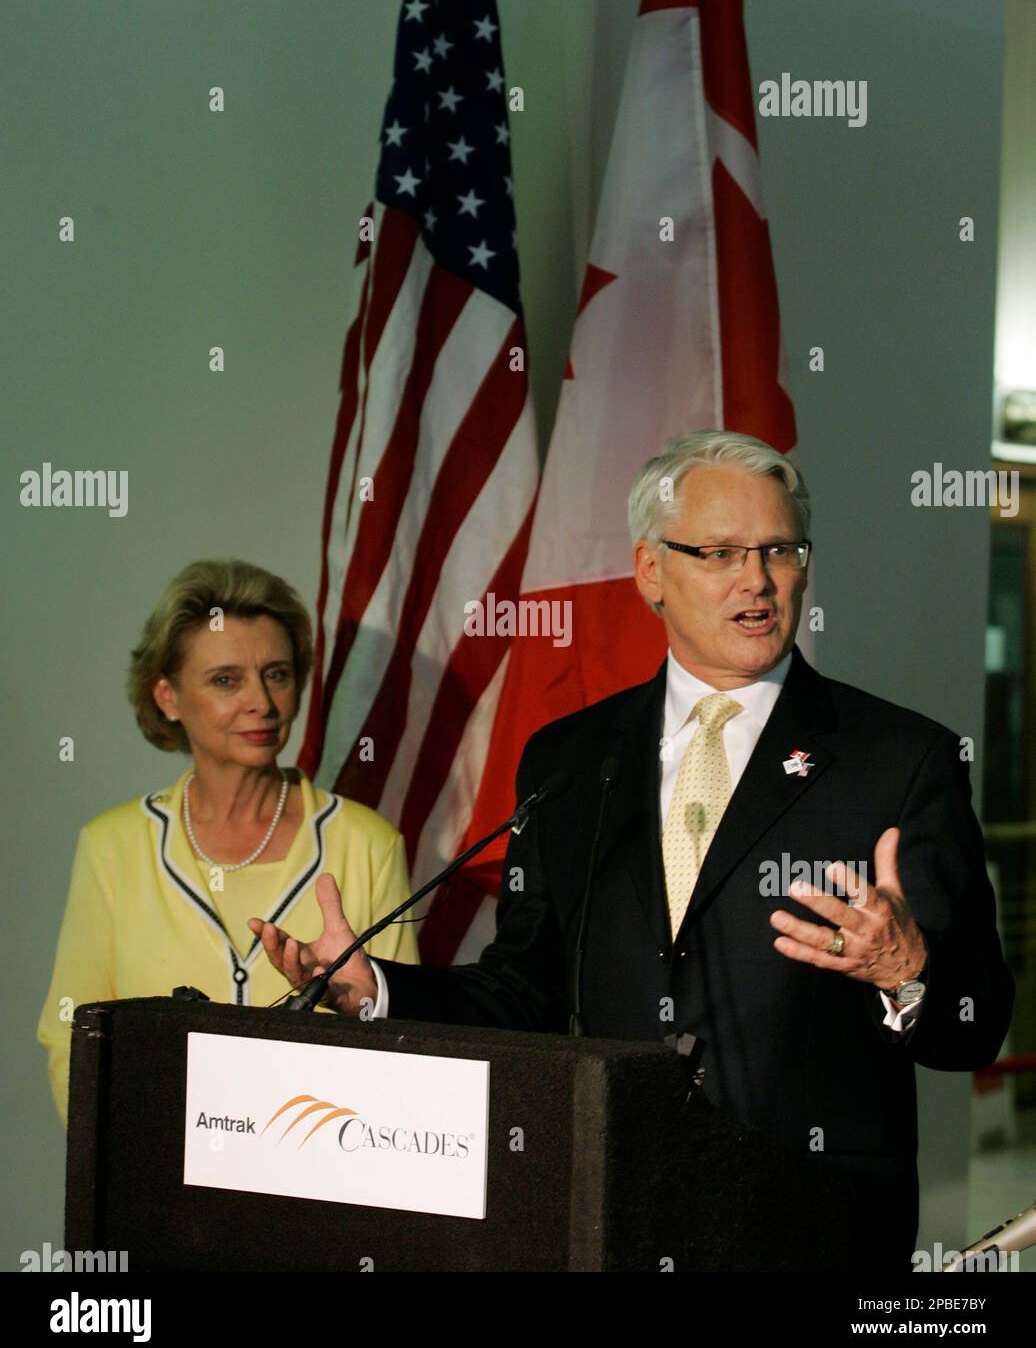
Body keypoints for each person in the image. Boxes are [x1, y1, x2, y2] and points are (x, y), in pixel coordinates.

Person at [249, 433, 1014, 1269]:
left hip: (814, 1227)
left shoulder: (898, 760)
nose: (756, 580)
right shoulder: (571, 760)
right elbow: (526, 988)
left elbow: (974, 1026)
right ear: (651, 571)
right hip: (607, 1209)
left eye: (779, 551)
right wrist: (376, 990)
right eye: (720, 553)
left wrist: (906, 971)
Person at [38, 559, 418, 1126]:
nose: (261, 703)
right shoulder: (112, 848)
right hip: (157, 1193)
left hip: (321, 1188)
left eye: (277, 674)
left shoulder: (368, 844)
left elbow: (406, 1050)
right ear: (167, 696)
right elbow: (74, 1041)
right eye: (225, 680)